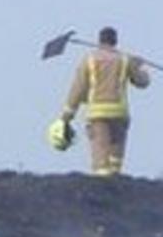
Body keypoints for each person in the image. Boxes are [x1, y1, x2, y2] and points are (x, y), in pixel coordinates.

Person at [56, 27, 150, 176]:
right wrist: (142, 66)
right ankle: (117, 181)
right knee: (116, 159)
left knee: (100, 162)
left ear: (99, 41)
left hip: (97, 115)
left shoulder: (89, 60)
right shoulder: (125, 60)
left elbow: (77, 90)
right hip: (119, 114)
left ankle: (102, 185)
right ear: (115, 41)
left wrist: (66, 117)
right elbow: (142, 82)